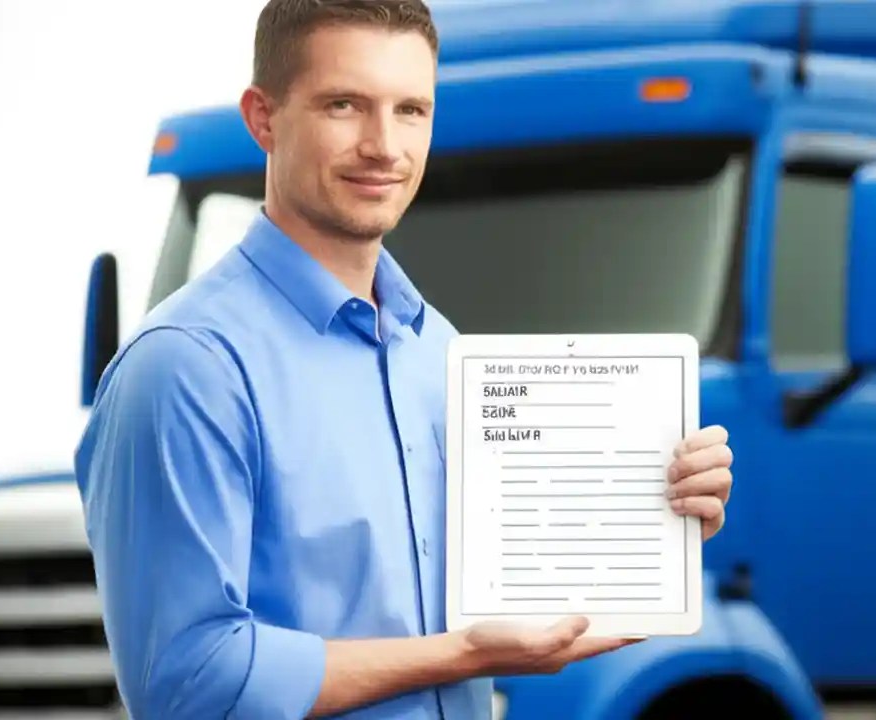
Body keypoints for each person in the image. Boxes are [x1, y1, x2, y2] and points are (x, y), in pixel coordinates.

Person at [73, 0, 735, 718]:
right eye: (344, 105)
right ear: (263, 117)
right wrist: (465, 656)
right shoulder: (184, 368)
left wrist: (648, 524)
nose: (383, 145)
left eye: (411, 110)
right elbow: (189, 683)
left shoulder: (442, 353)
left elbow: (508, 588)